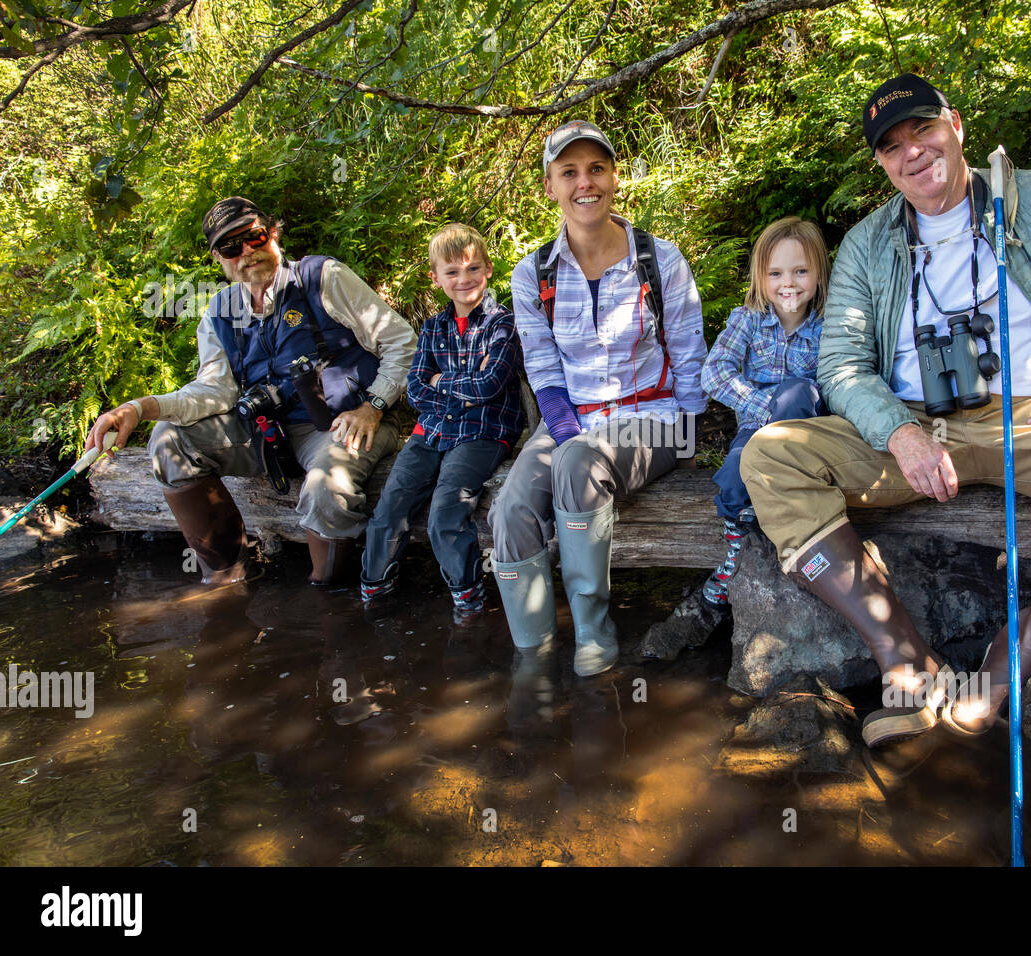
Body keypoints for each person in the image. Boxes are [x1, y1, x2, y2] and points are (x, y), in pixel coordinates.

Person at [740, 74, 1031, 746]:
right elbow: (843, 365)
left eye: (923, 131)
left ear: (956, 126)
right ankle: (909, 663)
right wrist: (899, 431)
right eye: (892, 145)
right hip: (910, 426)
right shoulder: (866, 245)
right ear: (880, 162)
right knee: (772, 454)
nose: (913, 153)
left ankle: (1012, 661)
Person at [85, 196, 415, 586]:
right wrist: (141, 408)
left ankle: (330, 594)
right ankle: (228, 579)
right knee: (170, 440)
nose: (247, 251)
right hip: (266, 431)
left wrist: (373, 406)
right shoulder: (219, 312)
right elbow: (213, 391)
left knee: (328, 488)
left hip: (344, 422)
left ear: (272, 235)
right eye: (230, 246)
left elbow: (401, 341)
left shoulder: (322, 277)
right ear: (218, 258)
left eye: (254, 237)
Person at [489, 119, 708, 677]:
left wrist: (689, 432)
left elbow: (688, 353)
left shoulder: (660, 261)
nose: (584, 182)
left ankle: (591, 630)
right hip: (573, 421)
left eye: (596, 169)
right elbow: (540, 365)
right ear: (549, 186)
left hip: (651, 417)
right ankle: (531, 647)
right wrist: (567, 432)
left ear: (614, 177)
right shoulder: (530, 273)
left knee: (580, 461)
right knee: (511, 506)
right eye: (569, 172)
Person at [359, 223, 525, 619]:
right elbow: (415, 391)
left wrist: (439, 380)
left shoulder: (503, 323)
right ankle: (375, 586)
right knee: (389, 506)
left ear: (487, 270)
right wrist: (444, 383)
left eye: (472, 269)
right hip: (430, 429)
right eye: (451, 272)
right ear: (436, 279)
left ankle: (466, 594)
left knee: (446, 512)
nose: (463, 279)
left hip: (483, 431)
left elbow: (488, 387)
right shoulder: (434, 326)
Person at [698, 216, 828, 608]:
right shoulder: (748, 320)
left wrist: (788, 405)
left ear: (819, 273)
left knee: (798, 390)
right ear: (761, 276)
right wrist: (764, 408)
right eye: (776, 273)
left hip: (810, 434)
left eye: (800, 271)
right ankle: (738, 551)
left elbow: (843, 377)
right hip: (756, 430)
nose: (788, 283)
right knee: (735, 479)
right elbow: (714, 371)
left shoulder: (828, 325)